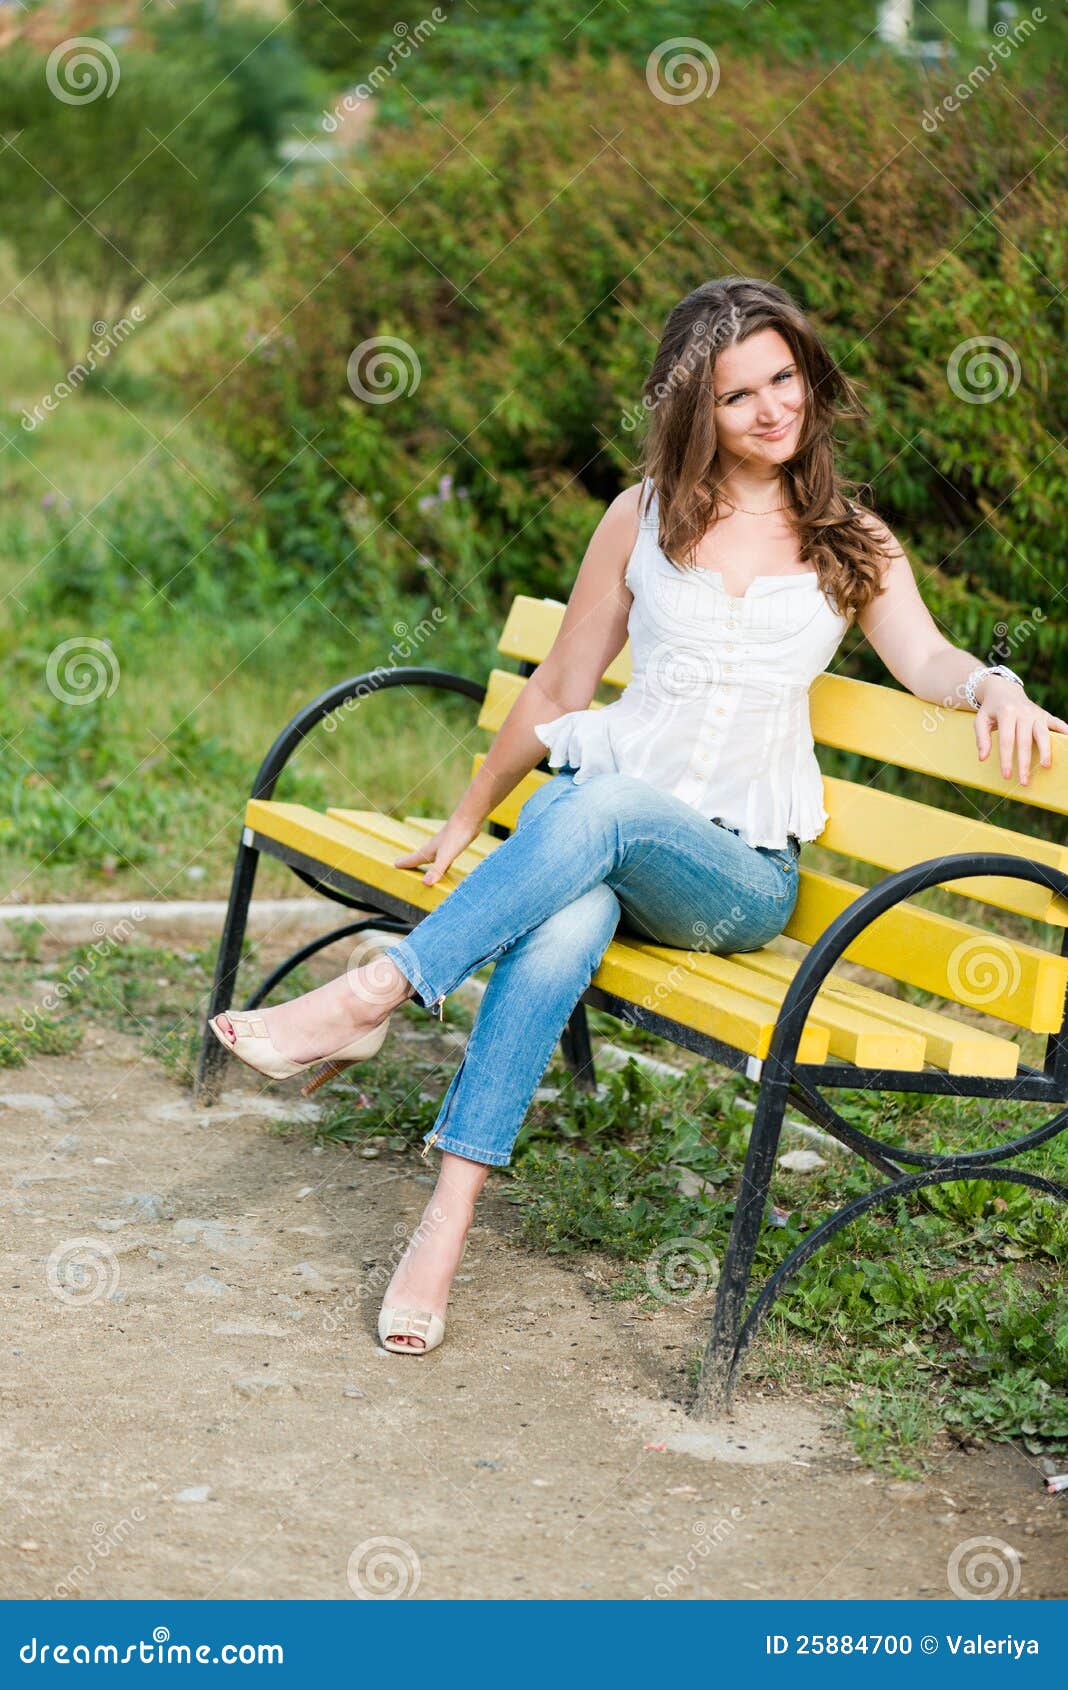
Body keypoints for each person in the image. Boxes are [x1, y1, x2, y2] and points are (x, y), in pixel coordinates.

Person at [208, 275, 1066, 1355]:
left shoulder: (851, 537)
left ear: (809, 377)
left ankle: (379, 990)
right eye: (737, 393)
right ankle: (446, 1218)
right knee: (566, 912)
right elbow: (564, 683)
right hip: (605, 844)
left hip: (738, 881)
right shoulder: (643, 515)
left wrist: (994, 684)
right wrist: (469, 815)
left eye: (784, 378)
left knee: (599, 800)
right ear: (691, 408)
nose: (770, 409)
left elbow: (928, 657)